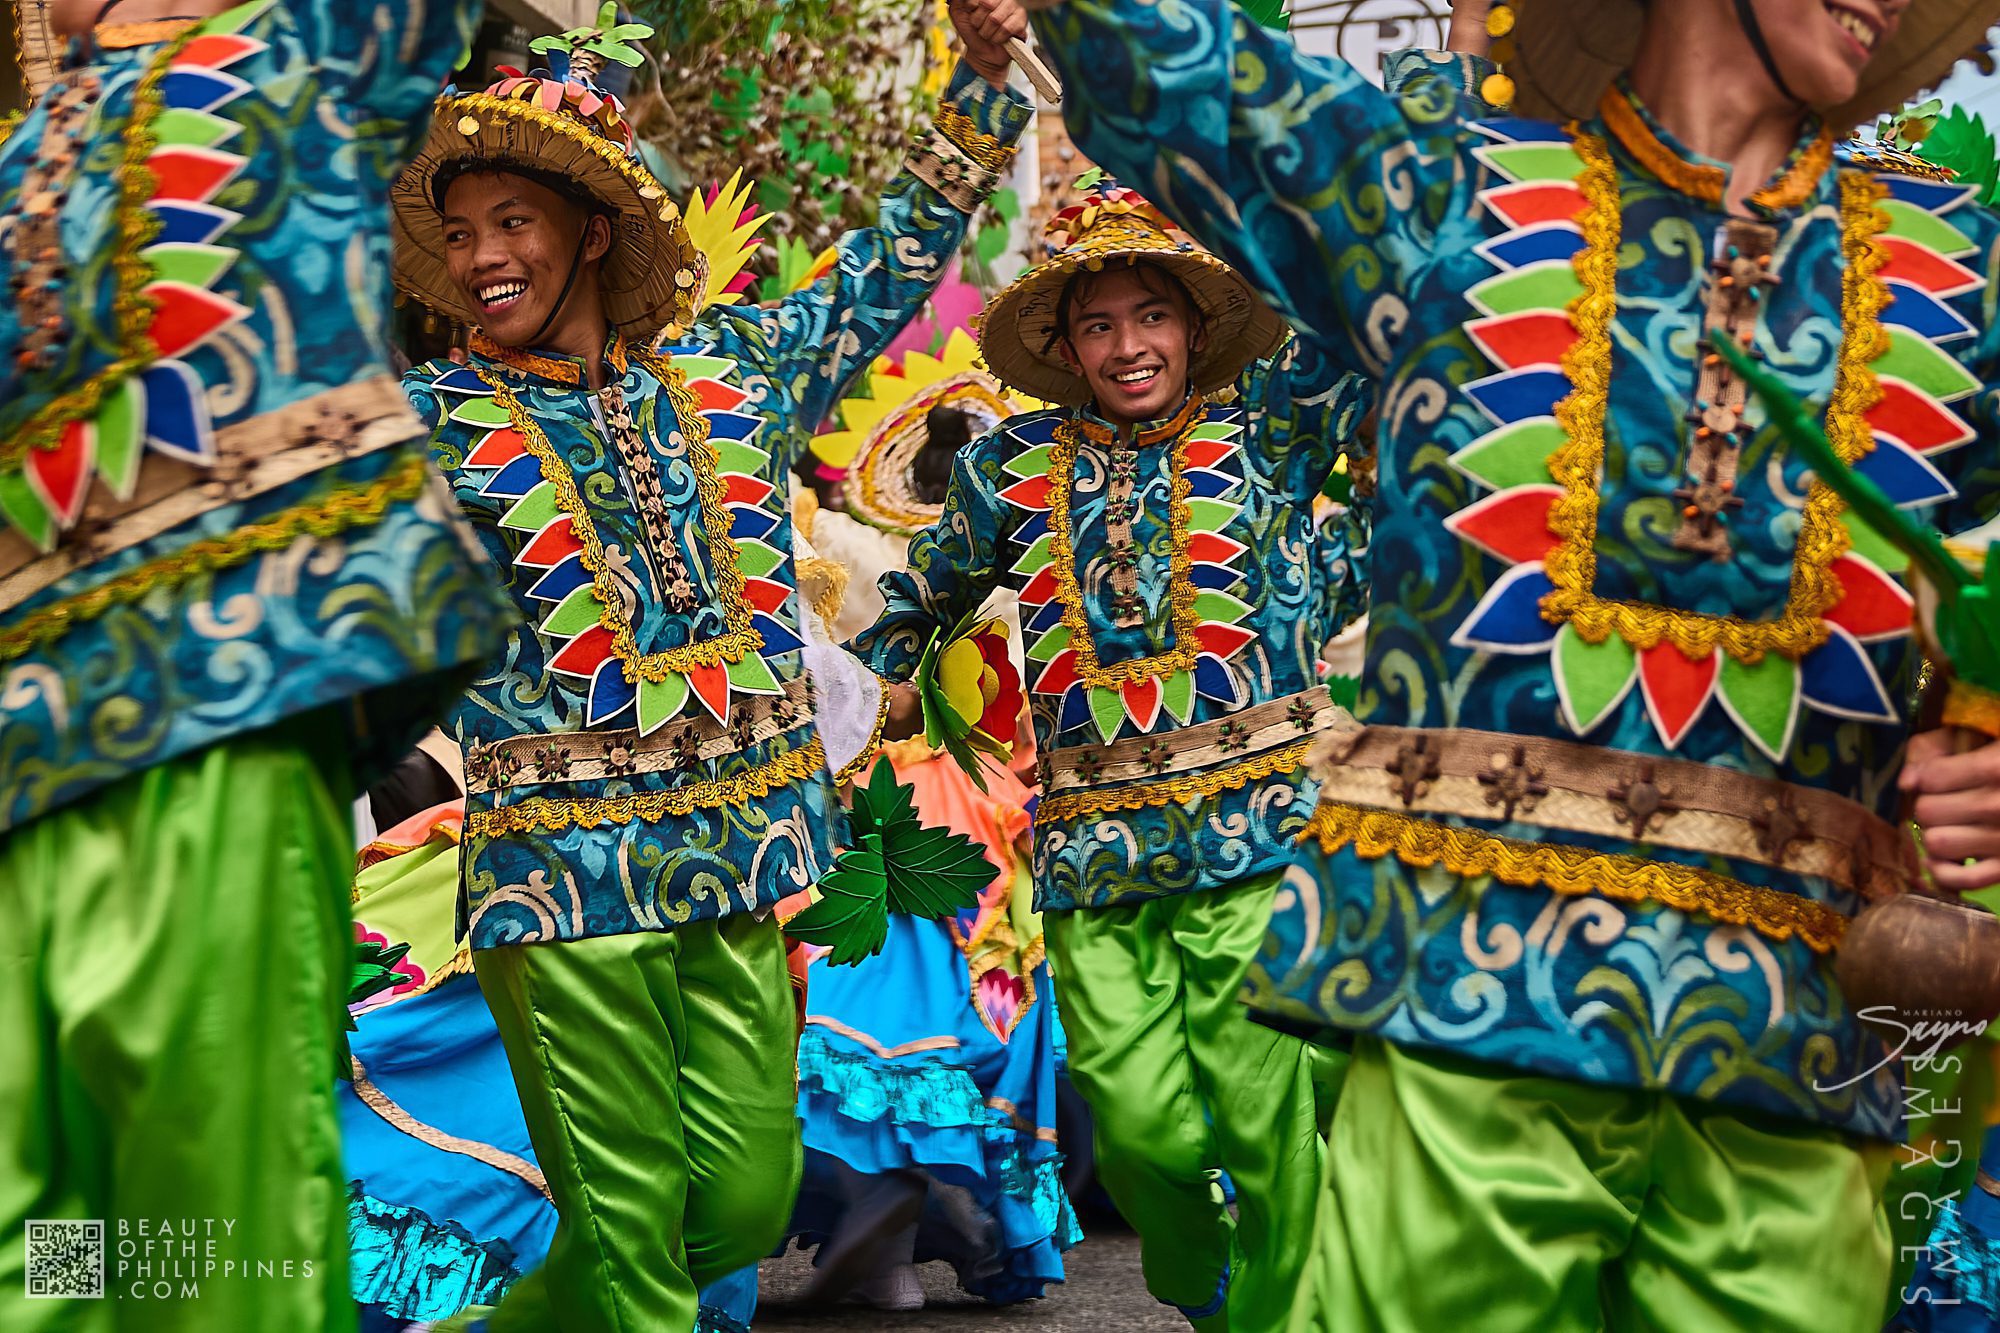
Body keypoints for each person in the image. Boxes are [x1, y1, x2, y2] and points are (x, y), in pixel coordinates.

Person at [1008, 0, 2000, 1326]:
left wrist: (1980, 720)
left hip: (1794, 1061)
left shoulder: (1957, 269)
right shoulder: (1436, 199)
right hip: (1464, 1043)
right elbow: (1154, 56)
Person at [389, 3, 1031, 1326]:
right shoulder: (429, 422)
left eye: (511, 221)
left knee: (738, 1203)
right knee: (632, 1236)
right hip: (559, 884)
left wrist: (979, 79)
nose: (482, 255)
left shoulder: (737, 366)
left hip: (734, 860)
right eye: (458, 234)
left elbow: (886, 264)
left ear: (592, 231)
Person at [0, 0, 516, 1328]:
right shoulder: (21, 157)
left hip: (218, 721)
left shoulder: (312, 49)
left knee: (209, 1219)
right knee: (59, 1231)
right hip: (28, 774)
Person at [850, 175, 1367, 1332]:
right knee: (1142, 1138)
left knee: (1265, 1129)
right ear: (1065, 344)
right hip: (1097, 860)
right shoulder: (1008, 466)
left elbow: (1356, 321)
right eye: (1097, 323)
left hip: (1257, 840)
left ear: (1191, 327)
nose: (1128, 345)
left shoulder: (1267, 433)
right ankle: (1208, 1287)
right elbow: (924, 593)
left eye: (1151, 315)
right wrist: (877, 678)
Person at [789, 360, 1077, 1311]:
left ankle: (895, 1228)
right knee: (916, 993)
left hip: (925, 786)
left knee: (889, 989)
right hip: (929, 783)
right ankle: (897, 1231)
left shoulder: (853, 543)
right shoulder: (857, 542)